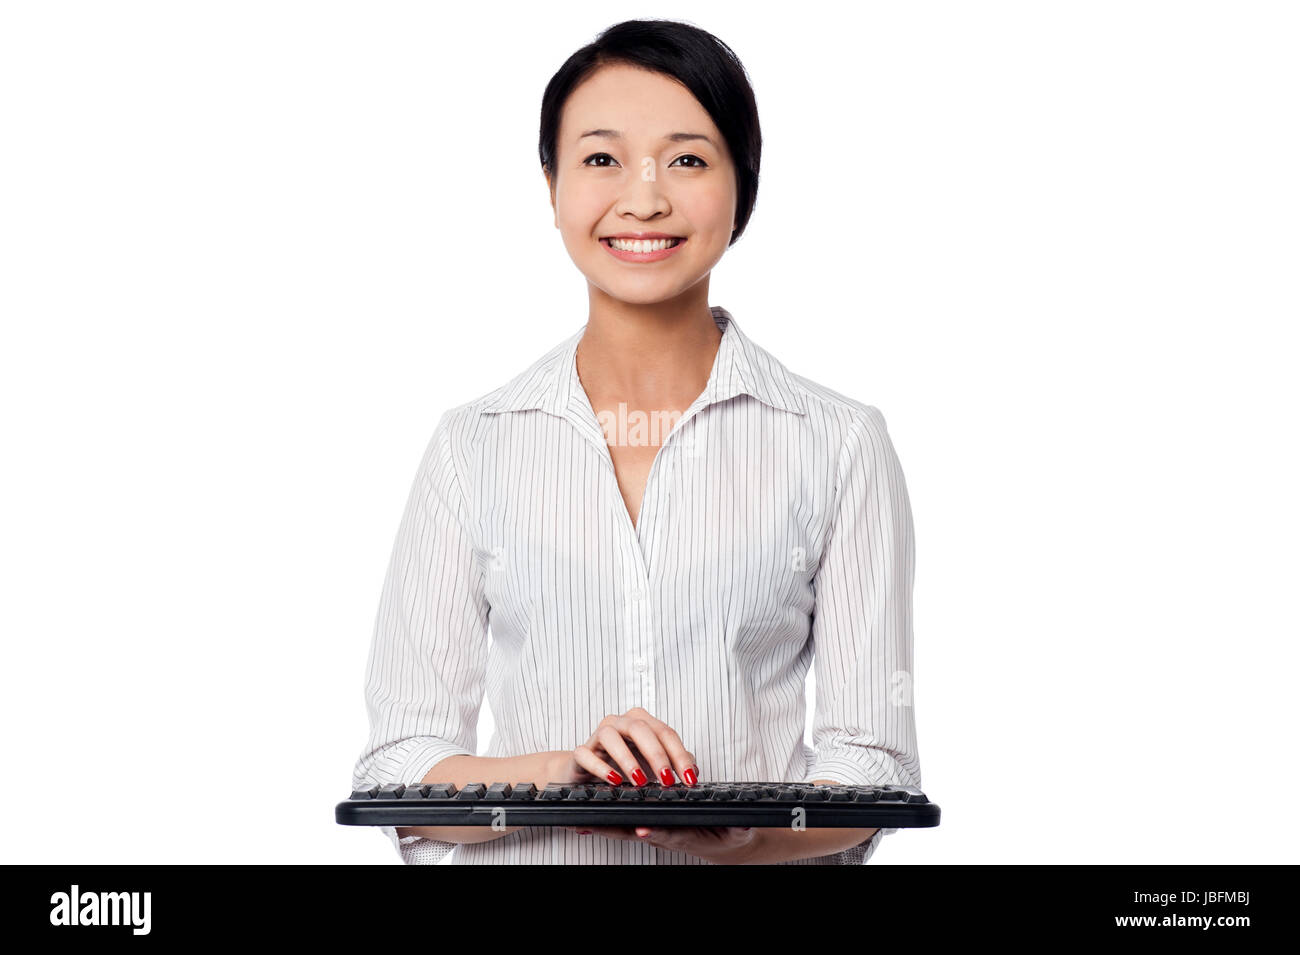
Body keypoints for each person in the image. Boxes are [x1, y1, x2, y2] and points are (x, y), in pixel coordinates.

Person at [351, 18, 922, 864]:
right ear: (551, 187)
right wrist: (561, 779)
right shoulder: (472, 446)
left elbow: (873, 771)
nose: (644, 198)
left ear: (743, 187)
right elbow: (397, 772)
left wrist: (736, 837)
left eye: (687, 159)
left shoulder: (839, 445)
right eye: (601, 158)